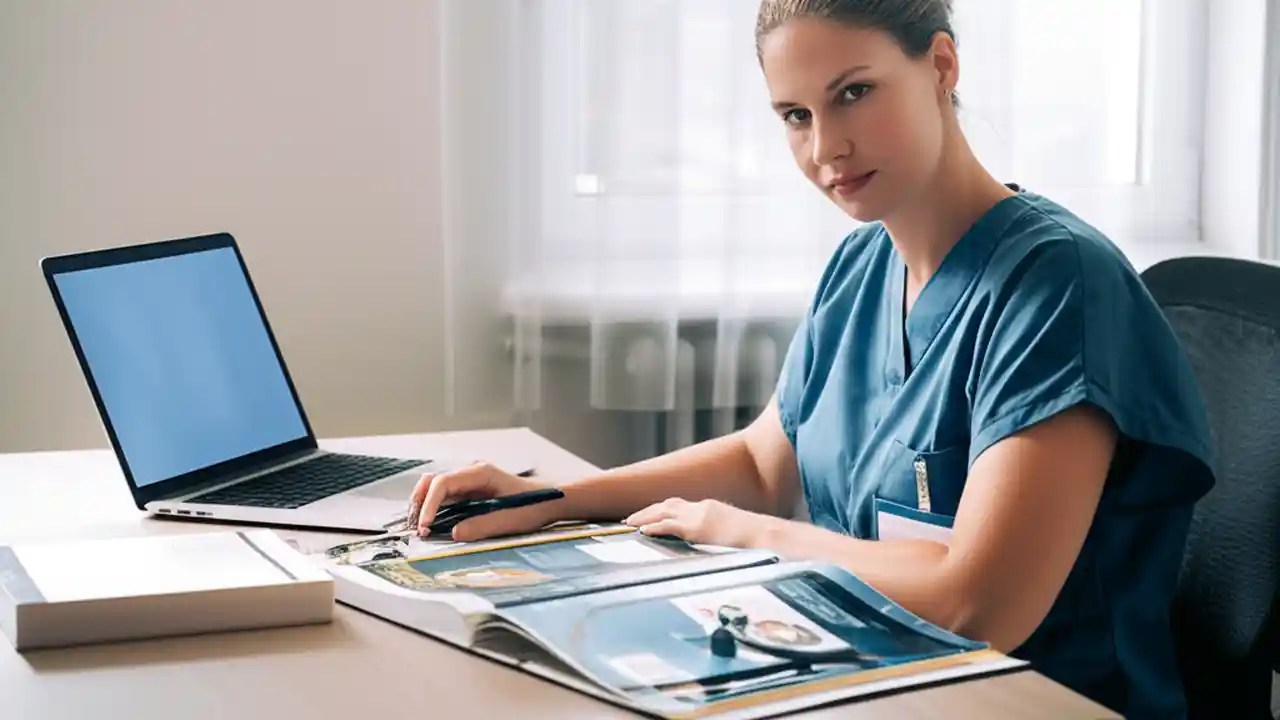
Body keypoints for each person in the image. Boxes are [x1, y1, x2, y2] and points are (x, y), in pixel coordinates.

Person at [408, 1, 1215, 717]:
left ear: (940, 65)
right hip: (872, 676)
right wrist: (554, 499)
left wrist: (742, 535)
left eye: (854, 93)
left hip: (1031, 701)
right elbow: (764, 462)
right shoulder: (861, 264)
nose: (827, 147)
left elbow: (978, 603)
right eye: (796, 115)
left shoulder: (1059, 286)